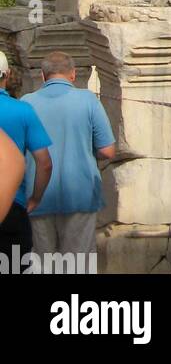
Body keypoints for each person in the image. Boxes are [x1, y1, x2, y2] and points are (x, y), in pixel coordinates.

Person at [22, 50, 115, 265]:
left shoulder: (26, 103)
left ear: (43, 76)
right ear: (73, 75)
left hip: (37, 197)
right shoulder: (88, 100)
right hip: (80, 194)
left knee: (43, 264)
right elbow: (108, 150)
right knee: (78, 264)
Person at [0, 52, 53, 261]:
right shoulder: (22, 111)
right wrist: (35, 198)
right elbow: (45, 163)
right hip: (13, 205)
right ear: (7, 74)